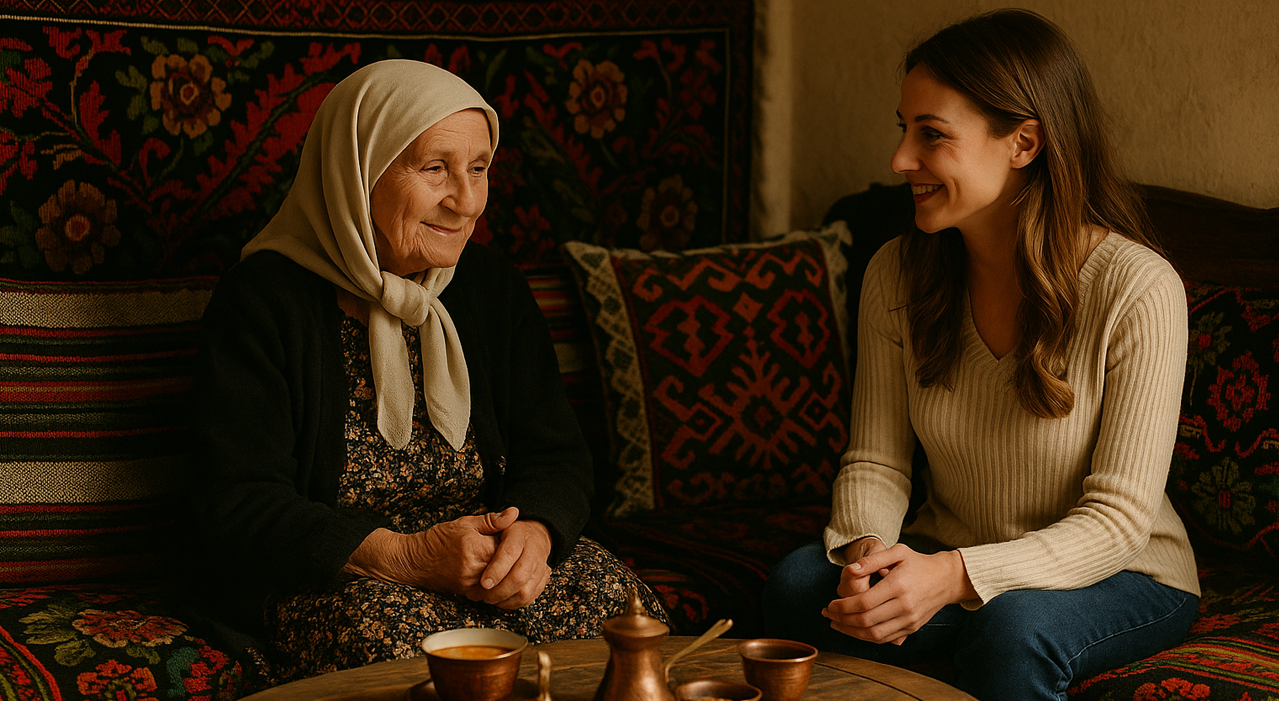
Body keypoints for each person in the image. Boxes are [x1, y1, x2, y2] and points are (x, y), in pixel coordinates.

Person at [763, 10, 1198, 701]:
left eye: (930, 135)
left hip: (1121, 573)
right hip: (948, 555)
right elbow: (876, 459)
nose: (900, 160)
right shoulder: (895, 272)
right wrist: (865, 554)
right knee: (797, 584)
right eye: (902, 128)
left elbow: (1116, 522)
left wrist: (952, 577)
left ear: (1023, 141)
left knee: (1012, 626)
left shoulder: (1136, 286)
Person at [186, 59, 664, 685]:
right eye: (434, 168)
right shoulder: (264, 302)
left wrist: (538, 535)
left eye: (478, 169)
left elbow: (557, 454)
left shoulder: (491, 288)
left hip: (485, 565)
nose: (466, 202)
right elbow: (235, 502)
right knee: (421, 663)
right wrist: (407, 556)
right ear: (359, 172)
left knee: (623, 621)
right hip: (342, 577)